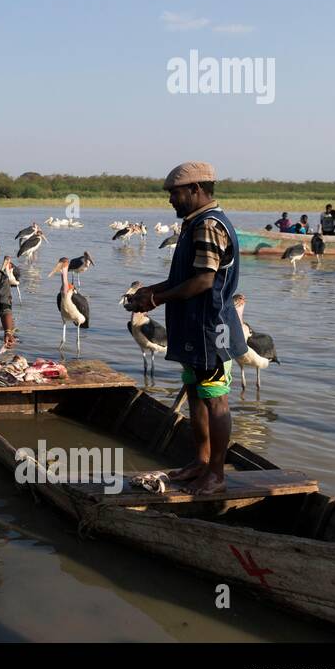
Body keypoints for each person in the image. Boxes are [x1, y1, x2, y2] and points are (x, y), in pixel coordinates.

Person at [124, 162, 247, 495]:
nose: (171, 201)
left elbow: (205, 281)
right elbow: (187, 278)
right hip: (195, 329)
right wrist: (150, 291)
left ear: (196, 190)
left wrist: (157, 299)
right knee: (196, 393)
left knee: (215, 399)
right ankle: (201, 462)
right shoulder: (197, 224)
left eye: (175, 194)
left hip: (212, 329)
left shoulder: (208, 225)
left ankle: (216, 474)